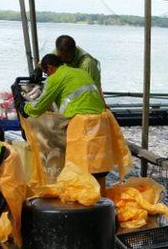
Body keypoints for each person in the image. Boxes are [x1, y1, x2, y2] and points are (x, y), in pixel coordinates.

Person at [18, 54, 130, 195]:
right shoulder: (80, 72)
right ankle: (101, 199)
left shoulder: (55, 77)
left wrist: (24, 107)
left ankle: (86, 200)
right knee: (100, 166)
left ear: (50, 68)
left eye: (46, 73)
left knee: (80, 166)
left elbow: (39, 106)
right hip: (103, 120)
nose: (47, 76)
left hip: (83, 123)